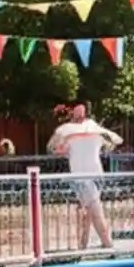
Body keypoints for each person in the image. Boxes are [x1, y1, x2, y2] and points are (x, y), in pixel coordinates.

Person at [47, 104, 121, 250]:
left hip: (86, 177)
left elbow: (55, 149)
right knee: (89, 210)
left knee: (94, 210)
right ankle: (85, 244)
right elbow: (55, 149)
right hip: (88, 176)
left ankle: (107, 244)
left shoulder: (84, 131)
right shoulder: (76, 132)